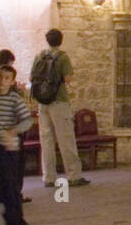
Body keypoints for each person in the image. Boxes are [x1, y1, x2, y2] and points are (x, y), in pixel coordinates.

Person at [31, 28, 89, 188]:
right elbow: (68, 79)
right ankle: (73, 175)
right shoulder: (63, 57)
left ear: (47, 40)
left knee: (46, 140)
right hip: (59, 101)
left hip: (43, 103)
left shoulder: (39, 56)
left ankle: (49, 177)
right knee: (66, 139)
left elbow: (31, 77)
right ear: (61, 40)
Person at [0, 65, 32, 225]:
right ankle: (0, 213)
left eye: (6, 78)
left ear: (12, 82)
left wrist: (13, 131)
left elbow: (27, 120)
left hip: (8, 147)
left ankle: (16, 219)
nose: (1, 81)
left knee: (10, 183)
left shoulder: (14, 100)